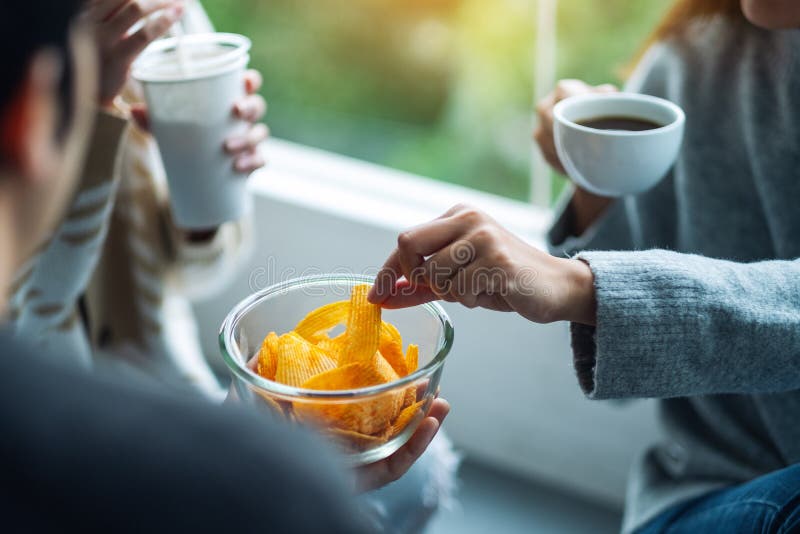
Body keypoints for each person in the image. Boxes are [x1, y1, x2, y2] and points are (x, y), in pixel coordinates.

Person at [0, 1, 448, 529]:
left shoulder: (166, 21)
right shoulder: (36, 41)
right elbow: (27, 349)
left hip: (172, 381)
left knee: (421, 472)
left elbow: (201, 273)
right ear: (32, 111)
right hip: (50, 417)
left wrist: (208, 197)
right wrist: (87, 114)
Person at [368, 0, 800, 532]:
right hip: (715, 497)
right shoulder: (693, 61)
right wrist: (594, 175)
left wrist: (584, 286)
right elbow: (624, 364)